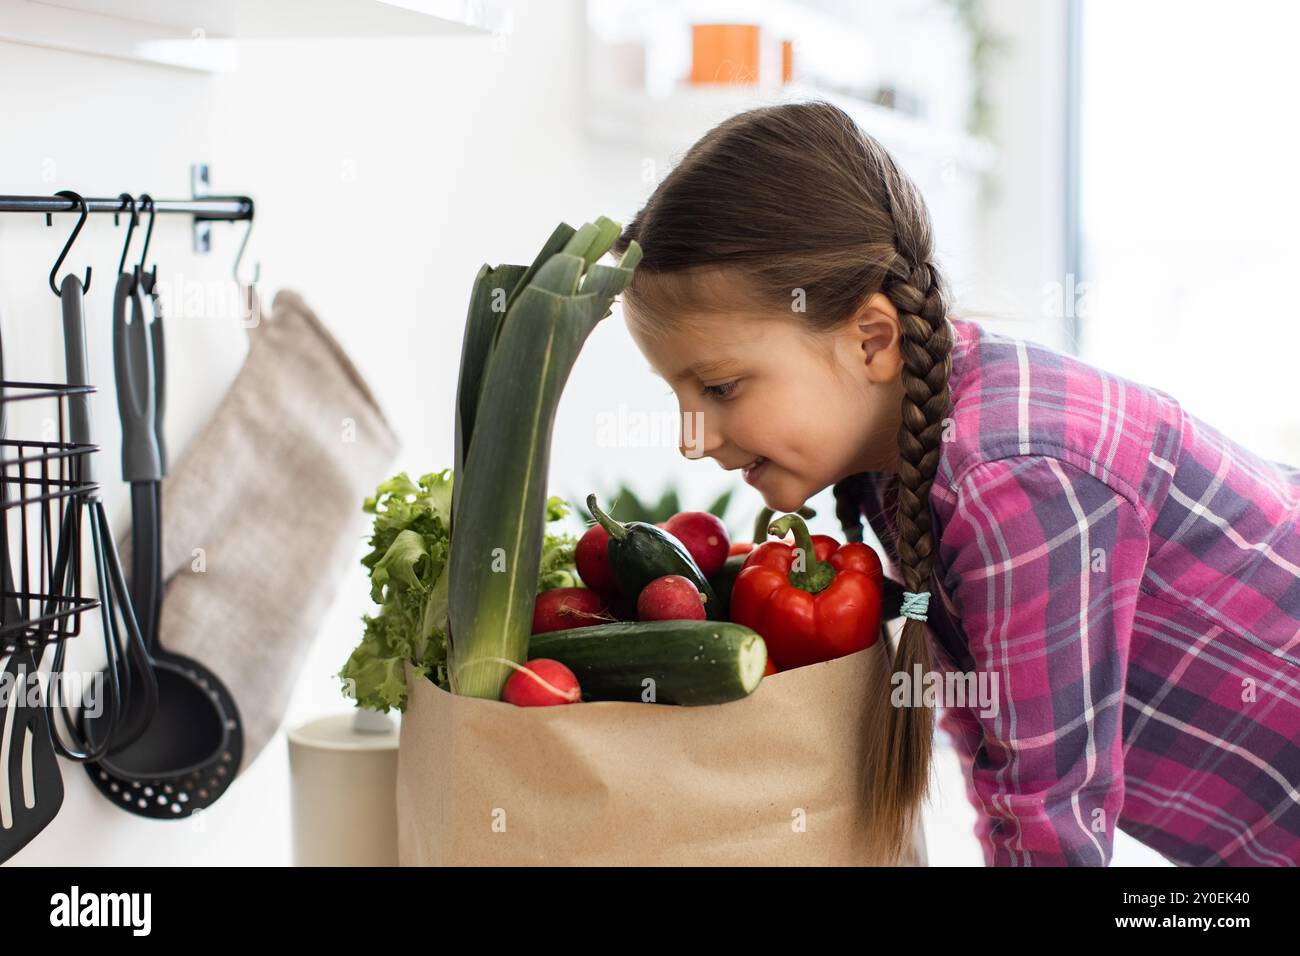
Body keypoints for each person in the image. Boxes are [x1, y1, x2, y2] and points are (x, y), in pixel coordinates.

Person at [611, 100, 1300, 866]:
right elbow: (998, 746)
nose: (691, 438)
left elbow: (1048, 819)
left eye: (722, 387)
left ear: (872, 338)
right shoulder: (901, 458)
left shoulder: (1009, 482)